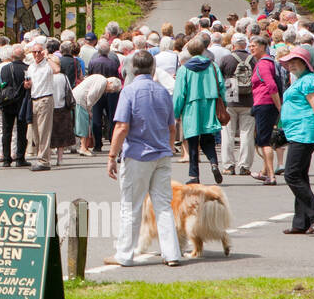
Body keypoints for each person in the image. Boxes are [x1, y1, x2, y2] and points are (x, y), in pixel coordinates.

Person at [104, 49, 182, 267]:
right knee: (163, 205)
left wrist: (112, 156)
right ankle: (172, 253)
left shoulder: (128, 92)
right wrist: (168, 148)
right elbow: (172, 127)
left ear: (131, 69)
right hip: (162, 154)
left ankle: (125, 254)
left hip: (138, 155)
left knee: (130, 205)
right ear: (153, 68)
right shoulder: (163, 92)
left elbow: (121, 127)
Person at [278, 48, 314, 234]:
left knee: (291, 175)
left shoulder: (309, 80)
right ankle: (301, 222)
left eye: (295, 61)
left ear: (305, 63)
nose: (291, 65)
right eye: (289, 62)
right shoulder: (301, 80)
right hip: (298, 132)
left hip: (304, 132)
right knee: (300, 176)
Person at [172, 35, 225, 185]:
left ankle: (194, 175)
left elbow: (179, 94)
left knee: (193, 141)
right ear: (203, 49)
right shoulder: (213, 66)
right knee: (208, 139)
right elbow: (221, 87)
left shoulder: (184, 70)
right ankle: (214, 163)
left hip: (191, 107)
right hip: (209, 105)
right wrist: (224, 105)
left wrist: (176, 113)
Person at [219, 34, 256, 176]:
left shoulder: (227, 59)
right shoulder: (253, 59)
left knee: (227, 133)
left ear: (233, 45)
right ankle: (244, 166)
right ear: (245, 45)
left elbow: (221, 77)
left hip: (231, 95)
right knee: (246, 133)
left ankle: (228, 165)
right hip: (248, 98)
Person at [249, 35, 281, 185]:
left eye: (254, 45)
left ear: (262, 47)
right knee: (265, 138)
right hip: (266, 104)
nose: (251, 48)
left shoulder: (263, 64)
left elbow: (272, 86)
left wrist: (279, 106)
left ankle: (270, 175)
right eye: (250, 46)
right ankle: (264, 171)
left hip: (265, 104)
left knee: (264, 141)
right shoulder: (268, 62)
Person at [25, 40, 55, 171]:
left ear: (43, 52)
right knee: (36, 131)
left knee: (44, 131)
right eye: (34, 52)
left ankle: (44, 160)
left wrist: (47, 56)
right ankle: (40, 157)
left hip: (45, 99)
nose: (36, 54)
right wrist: (27, 84)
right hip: (34, 99)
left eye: (39, 52)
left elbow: (57, 69)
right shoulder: (31, 66)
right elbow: (29, 82)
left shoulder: (47, 64)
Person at [0, 45, 30, 166]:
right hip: (22, 102)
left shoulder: (5, 69)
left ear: (12, 56)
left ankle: (6, 159)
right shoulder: (27, 68)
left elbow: (2, 84)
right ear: (23, 56)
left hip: (8, 102)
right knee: (22, 131)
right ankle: (20, 158)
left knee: (7, 131)